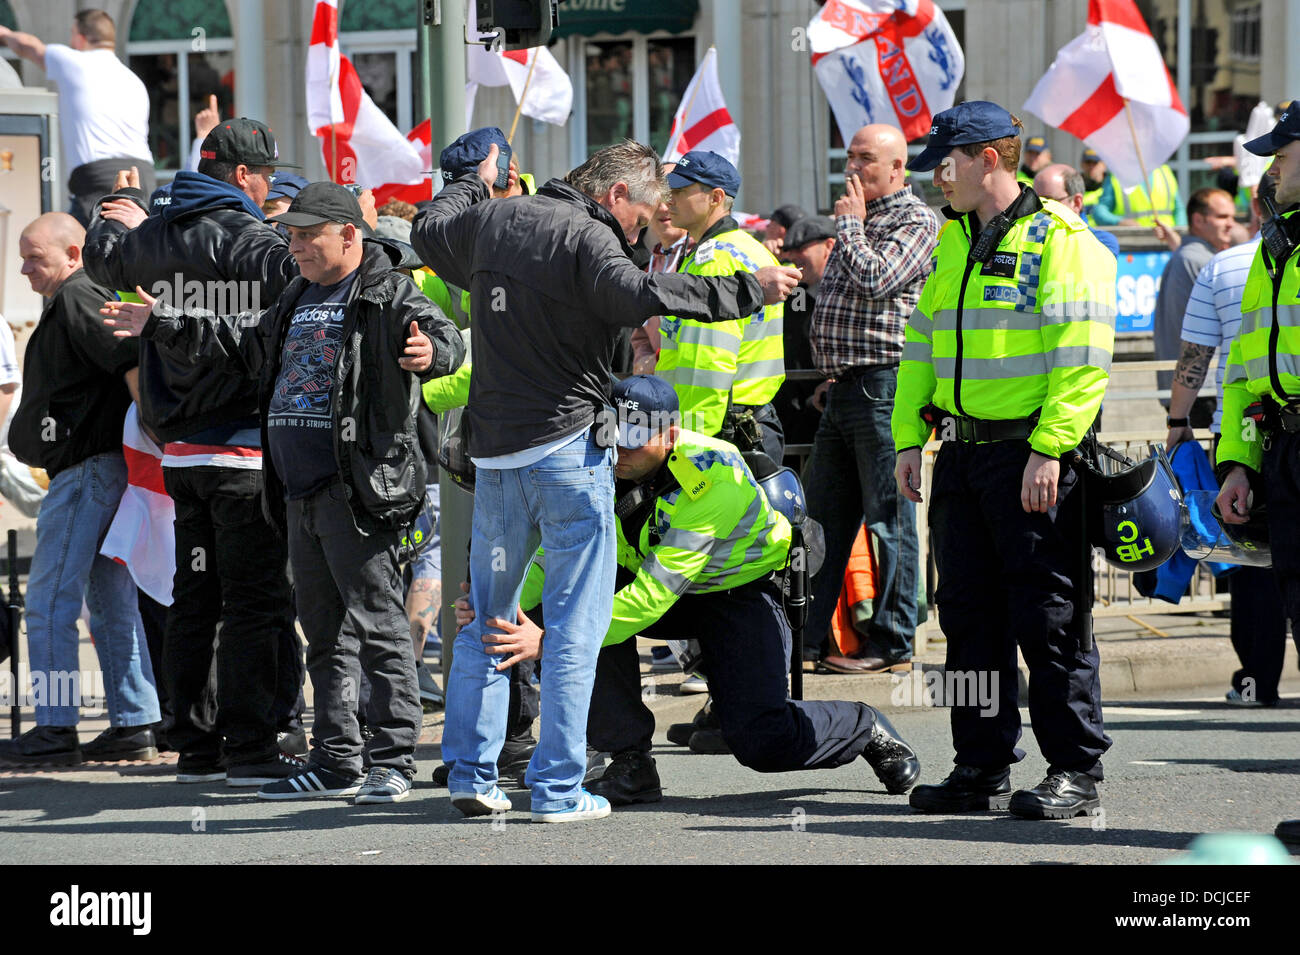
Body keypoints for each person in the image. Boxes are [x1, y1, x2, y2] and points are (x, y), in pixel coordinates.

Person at [410, 139, 800, 823]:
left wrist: (471, 181)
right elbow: (640, 293)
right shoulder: (589, 235)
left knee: (488, 621)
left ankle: (472, 773)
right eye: (642, 219)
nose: (640, 235)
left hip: (496, 458)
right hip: (565, 453)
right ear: (617, 196)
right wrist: (747, 289)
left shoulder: (496, 219)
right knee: (575, 624)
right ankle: (559, 788)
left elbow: (426, 229)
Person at [102, 182, 464, 804]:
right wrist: (160, 323)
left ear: (348, 234)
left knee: (377, 626)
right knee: (323, 633)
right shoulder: (296, 294)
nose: (292, 246)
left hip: (360, 490)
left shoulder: (388, 290)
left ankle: (394, 757)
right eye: (290, 235)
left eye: (306, 236)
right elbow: (236, 344)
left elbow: (448, 340)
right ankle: (337, 758)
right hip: (296, 491)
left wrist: (431, 352)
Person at [459, 375, 921, 806]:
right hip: (649, 580)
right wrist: (497, 604)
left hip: (738, 591)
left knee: (762, 740)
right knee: (570, 597)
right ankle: (629, 761)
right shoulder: (593, 457)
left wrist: (555, 640)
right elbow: (553, 556)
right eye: (611, 436)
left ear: (670, 434)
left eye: (634, 441)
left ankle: (864, 726)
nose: (618, 451)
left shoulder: (713, 478)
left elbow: (653, 597)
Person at [895, 101, 1117, 819]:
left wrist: (1050, 447)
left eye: (947, 163)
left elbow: (1082, 361)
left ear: (989, 158)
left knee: (1048, 616)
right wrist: (908, 435)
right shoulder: (953, 240)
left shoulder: (1062, 240)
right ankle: (980, 764)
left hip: (1030, 453)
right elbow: (922, 346)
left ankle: (1074, 770)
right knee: (968, 620)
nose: (938, 178)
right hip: (961, 456)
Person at [83, 118, 306, 787]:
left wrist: (115, 221)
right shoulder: (252, 240)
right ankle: (251, 748)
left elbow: (99, 260)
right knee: (255, 601)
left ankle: (196, 747)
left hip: (179, 455)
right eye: (264, 174)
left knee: (194, 597)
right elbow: (309, 271)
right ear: (243, 176)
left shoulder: (148, 237)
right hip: (240, 449)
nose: (268, 187)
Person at [0, 213, 160, 767]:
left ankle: (55, 726)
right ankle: (134, 723)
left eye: (33, 257)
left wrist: (155, 440)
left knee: (47, 601)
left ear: (73, 252)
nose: (23, 269)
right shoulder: (76, 295)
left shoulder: (76, 296)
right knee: (110, 600)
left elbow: (126, 361)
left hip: (89, 471)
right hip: (100, 468)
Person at [801, 123, 939, 673]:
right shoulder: (864, 220)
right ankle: (806, 639)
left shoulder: (916, 220)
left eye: (865, 159)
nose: (851, 168)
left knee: (891, 520)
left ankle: (893, 642)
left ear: (897, 168)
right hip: (845, 389)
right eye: (849, 157)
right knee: (819, 521)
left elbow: (876, 280)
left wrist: (852, 228)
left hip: (885, 386)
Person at [1212, 105, 1300, 847]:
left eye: (1281, 155)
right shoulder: (1274, 246)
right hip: (1286, 454)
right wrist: (1239, 459)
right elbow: (1244, 369)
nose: (1269, 170)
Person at [1166, 194, 1292, 707]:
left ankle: (1256, 683)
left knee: (1252, 564)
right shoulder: (1250, 263)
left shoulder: (1225, 266)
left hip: (1241, 436)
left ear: (1257, 209)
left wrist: (1177, 422)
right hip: (1277, 429)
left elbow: (1196, 355)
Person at [658, 151, 786, 462]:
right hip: (743, 423)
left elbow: (708, 366)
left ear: (716, 197)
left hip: (718, 432)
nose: (667, 202)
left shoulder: (716, 260)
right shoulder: (740, 249)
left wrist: (687, 444)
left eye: (680, 192)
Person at [0, 10, 154, 226]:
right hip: (143, 173)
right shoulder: (133, 80)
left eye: (72, 33)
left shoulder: (74, 63)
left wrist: (5, 33)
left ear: (80, 37)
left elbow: (29, 47)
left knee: (80, 248)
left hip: (100, 177)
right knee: (136, 245)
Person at [1153, 188, 1237, 423]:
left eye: (1232, 216)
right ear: (1198, 220)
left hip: (1193, 387)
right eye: (1222, 217)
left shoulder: (1190, 255)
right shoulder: (1199, 260)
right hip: (1201, 389)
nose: (1231, 224)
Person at [773, 214, 836, 450]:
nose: (794, 257)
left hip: (827, 409)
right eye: (790, 251)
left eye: (802, 248)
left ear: (829, 246)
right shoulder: (794, 295)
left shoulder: (848, 295)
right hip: (790, 414)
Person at [630, 168, 695, 376]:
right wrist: (644, 363)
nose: (664, 208)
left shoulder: (701, 257)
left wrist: (659, 359)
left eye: (672, 198)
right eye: (657, 199)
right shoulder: (650, 264)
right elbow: (640, 335)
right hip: (662, 391)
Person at [1033, 163, 1120, 258]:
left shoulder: (1102, 243)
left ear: (1076, 202)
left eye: (1048, 200)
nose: (1041, 208)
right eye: (1035, 201)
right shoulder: (1028, 236)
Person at [1112, 163, 1186, 227]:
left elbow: (1179, 209)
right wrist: (1119, 221)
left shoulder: (1165, 171)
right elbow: (1101, 210)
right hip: (1133, 237)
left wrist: (1179, 234)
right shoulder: (1117, 175)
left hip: (1166, 237)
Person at [1079, 148, 1123, 226]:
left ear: (1104, 165)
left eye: (1095, 163)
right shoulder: (1075, 186)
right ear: (1082, 164)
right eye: (1088, 163)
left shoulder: (1112, 185)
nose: (1091, 166)